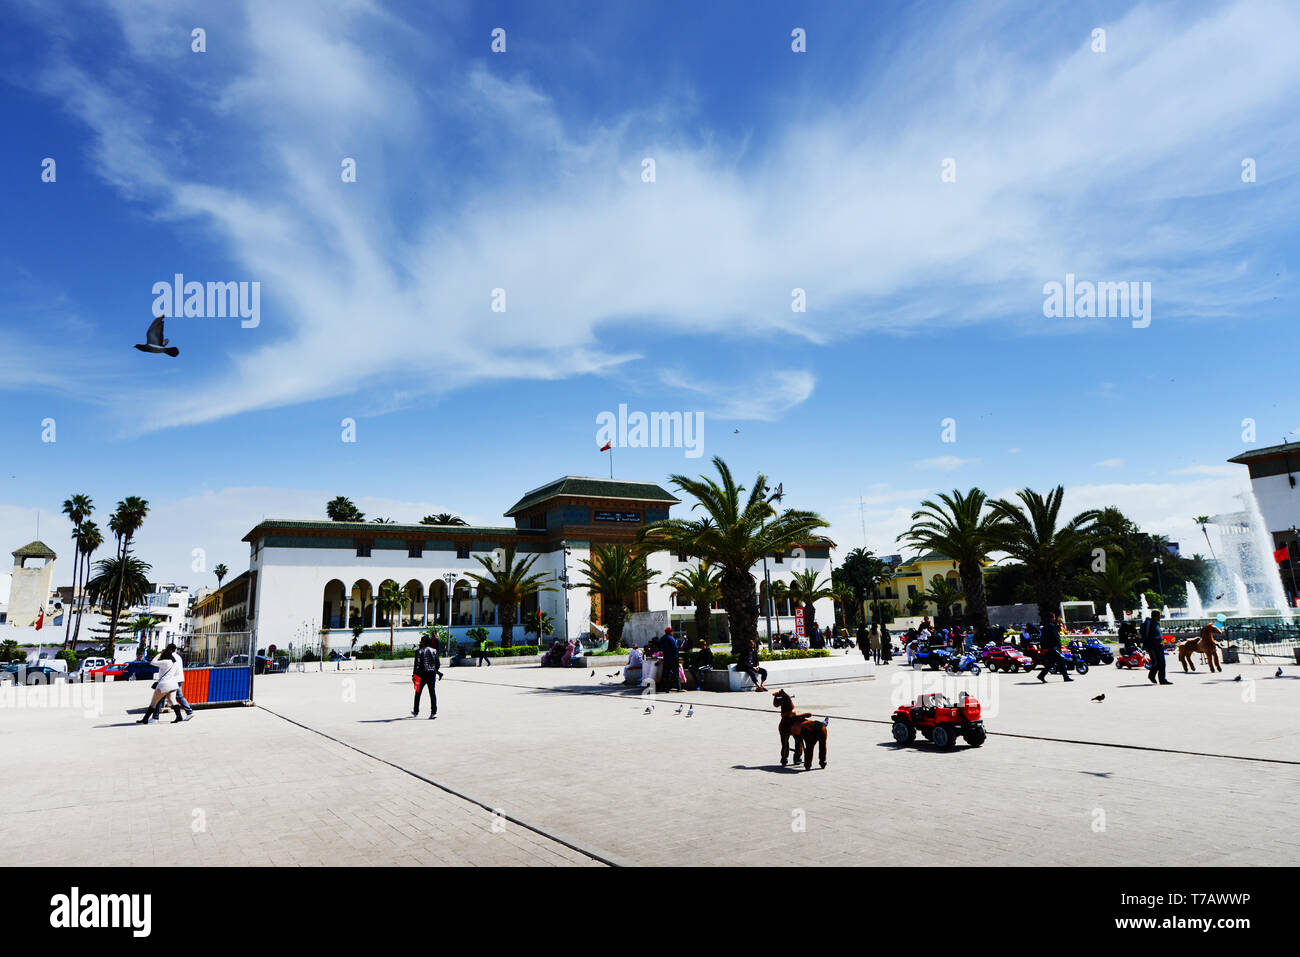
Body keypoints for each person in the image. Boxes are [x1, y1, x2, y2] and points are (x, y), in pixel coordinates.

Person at [138, 649, 185, 724]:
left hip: (164, 684)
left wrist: (159, 654)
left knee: (153, 702)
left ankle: (145, 719)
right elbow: (177, 673)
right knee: (173, 701)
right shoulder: (174, 663)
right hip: (173, 683)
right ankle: (179, 717)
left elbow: (153, 662)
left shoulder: (165, 662)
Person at [411, 635, 441, 718]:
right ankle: (434, 712)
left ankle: (416, 712)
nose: (420, 643)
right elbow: (437, 663)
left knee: (417, 693)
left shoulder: (419, 651)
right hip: (432, 674)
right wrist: (435, 670)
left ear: (424, 642)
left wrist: (414, 675)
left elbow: (416, 664)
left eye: (421, 641)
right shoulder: (434, 651)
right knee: (432, 693)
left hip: (421, 674)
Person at [1036, 613, 1072, 682]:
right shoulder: (1051, 626)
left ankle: (1041, 675)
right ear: (1051, 618)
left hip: (1049, 647)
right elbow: (1055, 637)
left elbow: (1043, 638)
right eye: (1054, 617)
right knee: (1061, 660)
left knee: (1051, 663)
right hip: (1053, 647)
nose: (1055, 619)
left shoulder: (1045, 626)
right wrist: (1059, 646)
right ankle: (1066, 677)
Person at [1141, 609, 1170, 685]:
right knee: (1157, 662)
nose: (1160, 617)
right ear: (1156, 616)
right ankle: (1152, 675)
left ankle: (1162, 679)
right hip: (1152, 646)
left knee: (1162, 663)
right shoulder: (1149, 623)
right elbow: (1146, 635)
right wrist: (1146, 646)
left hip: (1159, 645)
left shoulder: (1156, 623)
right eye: (1159, 615)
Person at [165, 643, 193, 720]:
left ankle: (189, 712)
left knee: (178, 696)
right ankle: (184, 714)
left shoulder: (171, 657)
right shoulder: (178, 656)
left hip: (174, 679)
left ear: (170, 649)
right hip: (179, 678)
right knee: (176, 696)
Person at [659, 626, 680, 692]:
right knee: (676, 673)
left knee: (667, 674)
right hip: (673, 658)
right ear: (670, 632)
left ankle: (667, 688)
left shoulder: (662, 638)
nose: (672, 633)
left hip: (666, 658)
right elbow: (676, 648)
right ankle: (678, 687)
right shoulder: (671, 638)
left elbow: (661, 647)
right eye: (672, 632)